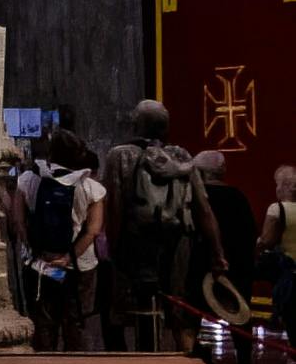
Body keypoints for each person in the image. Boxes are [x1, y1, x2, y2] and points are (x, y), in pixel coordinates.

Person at [98, 100, 223, 347]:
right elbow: (204, 210)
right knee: (173, 306)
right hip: (177, 242)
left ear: (135, 124)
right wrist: (218, 252)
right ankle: (174, 362)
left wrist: (112, 247)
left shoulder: (120, 155)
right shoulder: (183, 157)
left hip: (134, 242)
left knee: (129, 309)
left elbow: (114, 207)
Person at [8, 127, 103, 351]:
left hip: (38, 265)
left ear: (50, 153)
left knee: (43, 324)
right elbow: (93, 231)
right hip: (80, 267)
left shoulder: (27, 180)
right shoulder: (91, 188)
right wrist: (68, 258)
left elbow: (18, 222)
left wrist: (37, 251)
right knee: (75, 323)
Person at [198, 148, 261, 317]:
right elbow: (250, 233)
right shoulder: (238, 196)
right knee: (240, 316)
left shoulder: (198, 197)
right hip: (238, 265)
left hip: (202, 264)